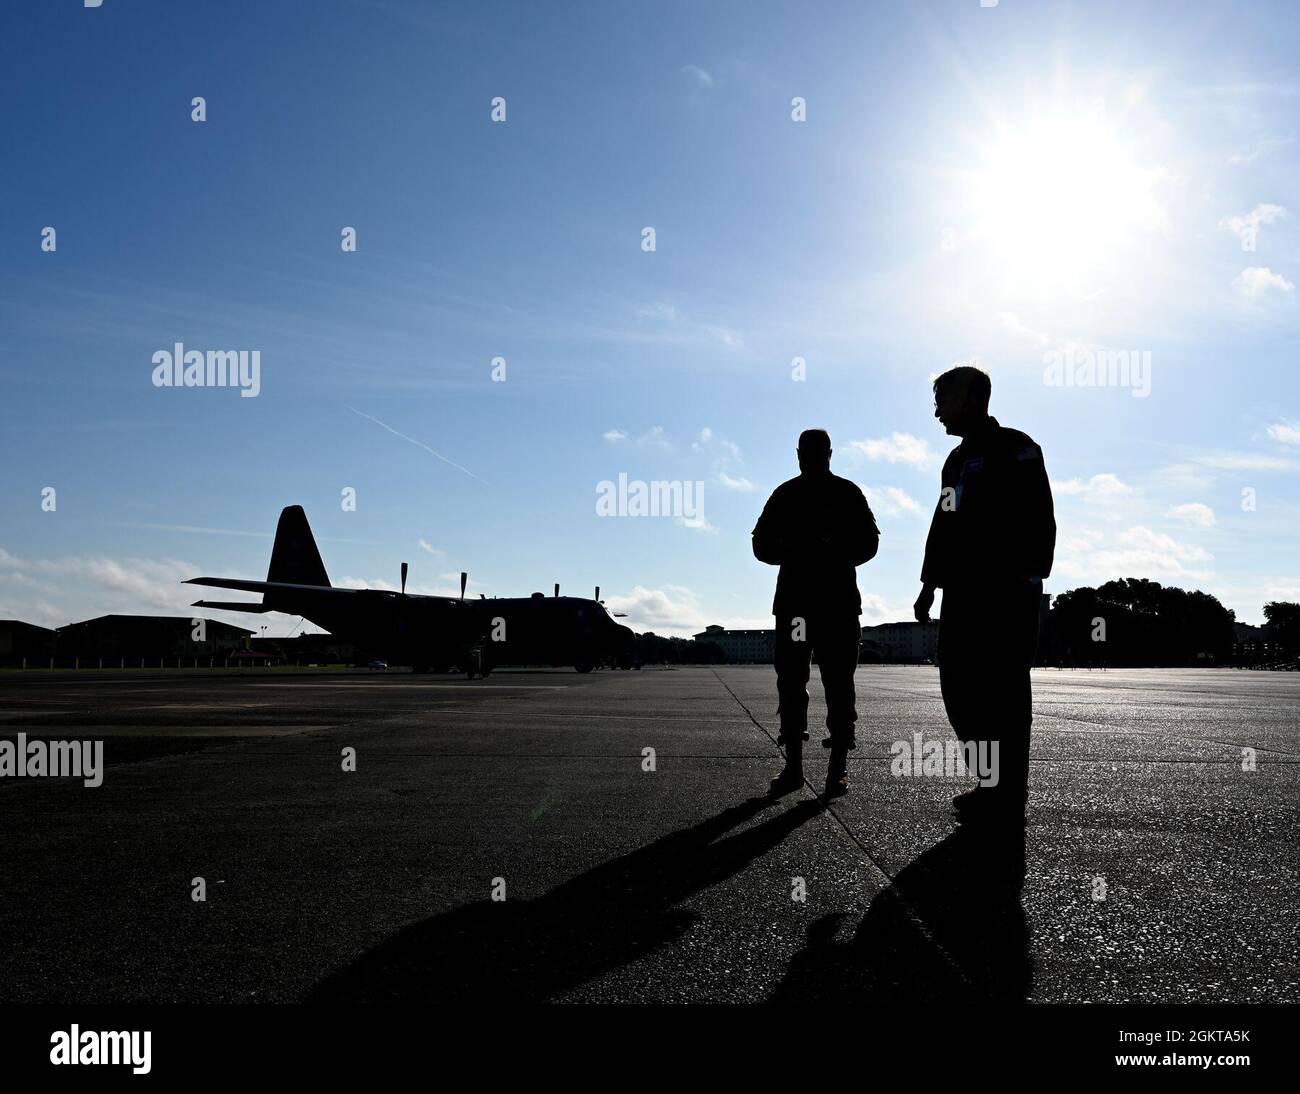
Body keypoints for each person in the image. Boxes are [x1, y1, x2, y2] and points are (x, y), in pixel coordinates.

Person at [914, 365, 1055, 824]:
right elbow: (944, 522)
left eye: (943, 400)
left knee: (1006, 691)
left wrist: (1031, 575)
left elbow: (1040, 511)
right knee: (958, 686)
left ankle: (1007, 791)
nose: (936, 411)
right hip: (963, 592)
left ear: (970, 400)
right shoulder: (954, 462)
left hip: (1008, 592)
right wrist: (929, 584)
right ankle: (989, 779)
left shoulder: (1019, 448)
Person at [752, 429, 880, 798]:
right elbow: (760, 545)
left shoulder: (847, 493)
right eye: (805, 452)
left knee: (839, 684)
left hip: (836, 606)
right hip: (797, 607)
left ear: (828, 453)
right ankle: (794, 766)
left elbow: (869, 543)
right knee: (792, 682)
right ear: (798, 454)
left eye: (815, 451)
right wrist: (796, 551)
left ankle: (836, 768)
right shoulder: (785, 494)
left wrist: (831, 550)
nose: (809, 457)